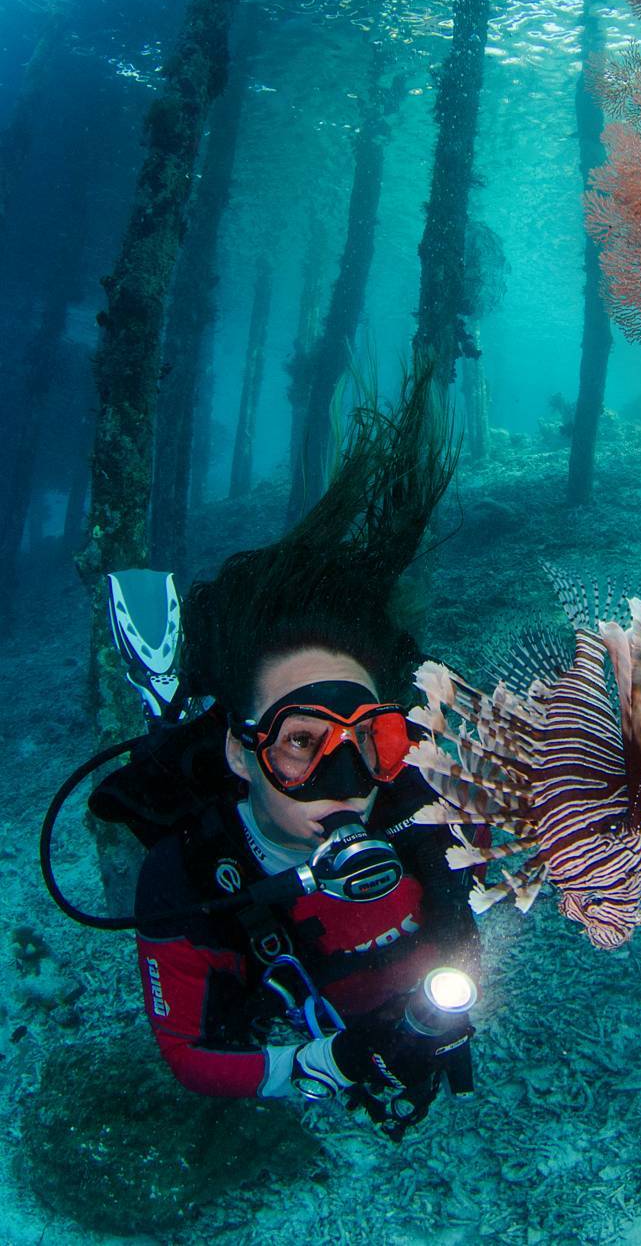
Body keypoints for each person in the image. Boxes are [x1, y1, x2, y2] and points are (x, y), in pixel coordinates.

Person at [134, 370, 477, 1138]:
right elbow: (189, 1054)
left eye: (369, 739)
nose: (352, 782)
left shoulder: (418, 799)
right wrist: (313, 1066)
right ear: (239, 749)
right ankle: (163, 695)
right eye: (300, 742)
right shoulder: (189, 879)